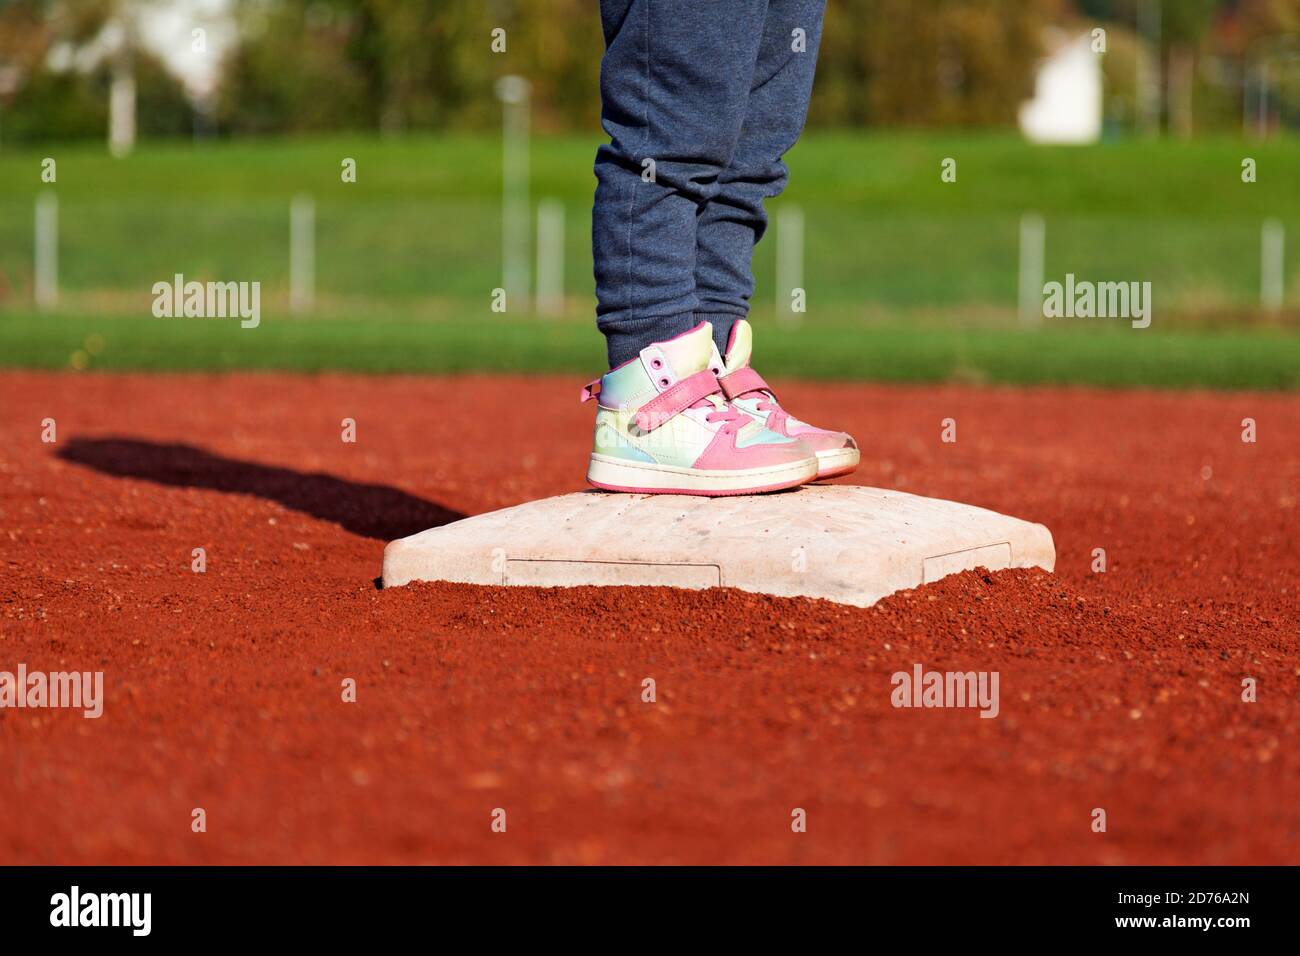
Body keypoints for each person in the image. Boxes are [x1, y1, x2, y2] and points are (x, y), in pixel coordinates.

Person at [581, 0, 859, 495]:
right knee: (672, 130)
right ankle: (647, 403)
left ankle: (713, 379)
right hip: (645, 401)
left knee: (750, 157)